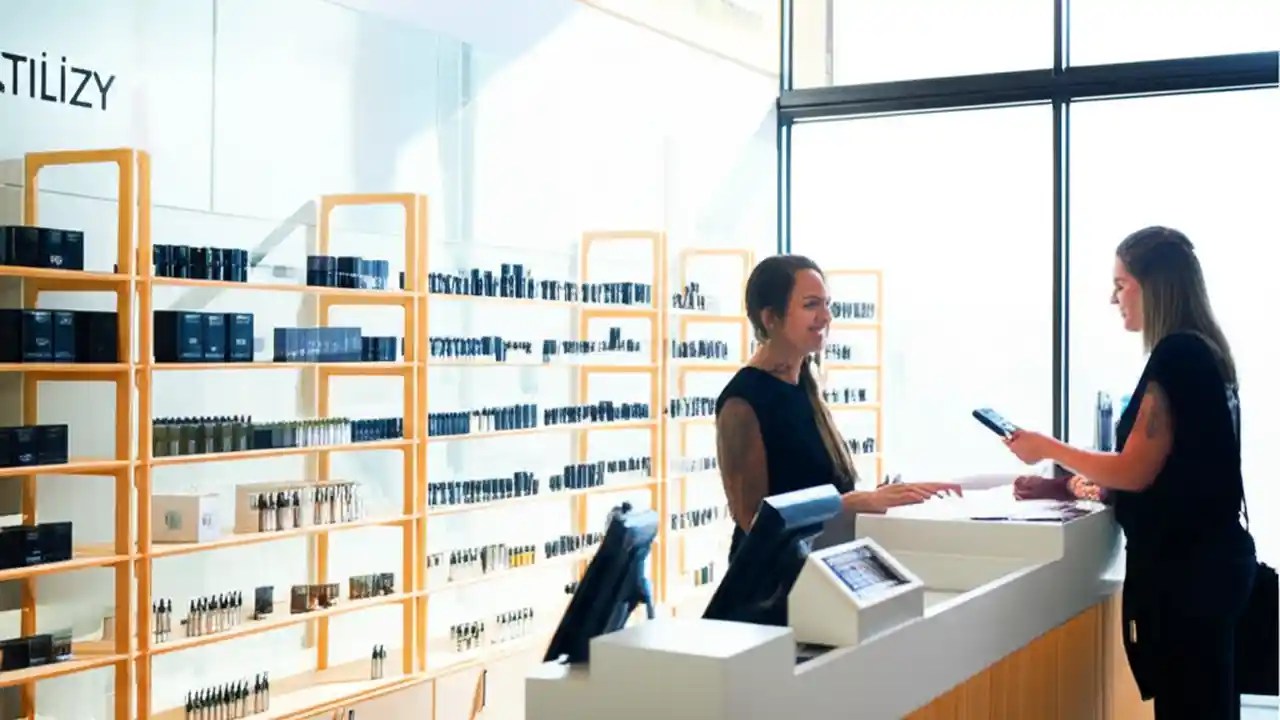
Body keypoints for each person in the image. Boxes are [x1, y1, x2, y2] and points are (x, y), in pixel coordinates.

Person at [1002, 226, 1257, 720]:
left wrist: (1045, 447)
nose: (1113, 297)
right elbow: (1176, 470)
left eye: (1121, 284)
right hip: (1212, 570)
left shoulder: (1178, 355)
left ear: (1152, 284)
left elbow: (1136, 471)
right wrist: (1063, 484)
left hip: (1189, 581)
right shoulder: (1205, 351)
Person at [715, 254, 959, 559]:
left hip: (820, 569)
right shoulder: (743, 401)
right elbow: (755, 520)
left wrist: (877, 498)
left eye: (826, 304)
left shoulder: (804, 385)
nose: (826, 316)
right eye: (811, 305)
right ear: (771, 318)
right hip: (774, 589)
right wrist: (853, 503)